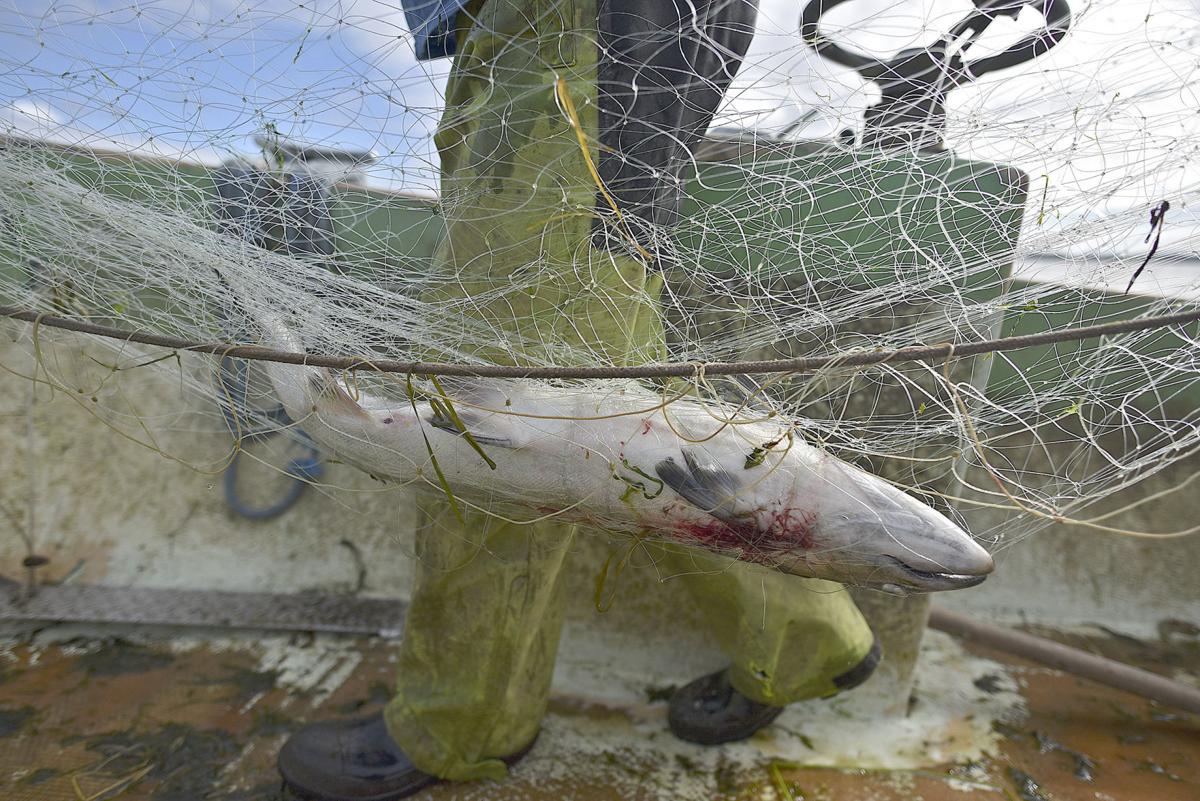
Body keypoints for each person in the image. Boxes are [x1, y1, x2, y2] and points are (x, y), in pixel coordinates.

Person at [277, 2, 880, 798]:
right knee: (626, 423)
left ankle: (465, 718)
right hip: (582, 44)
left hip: (572, 41)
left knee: (488, 429)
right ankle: (809, 638)